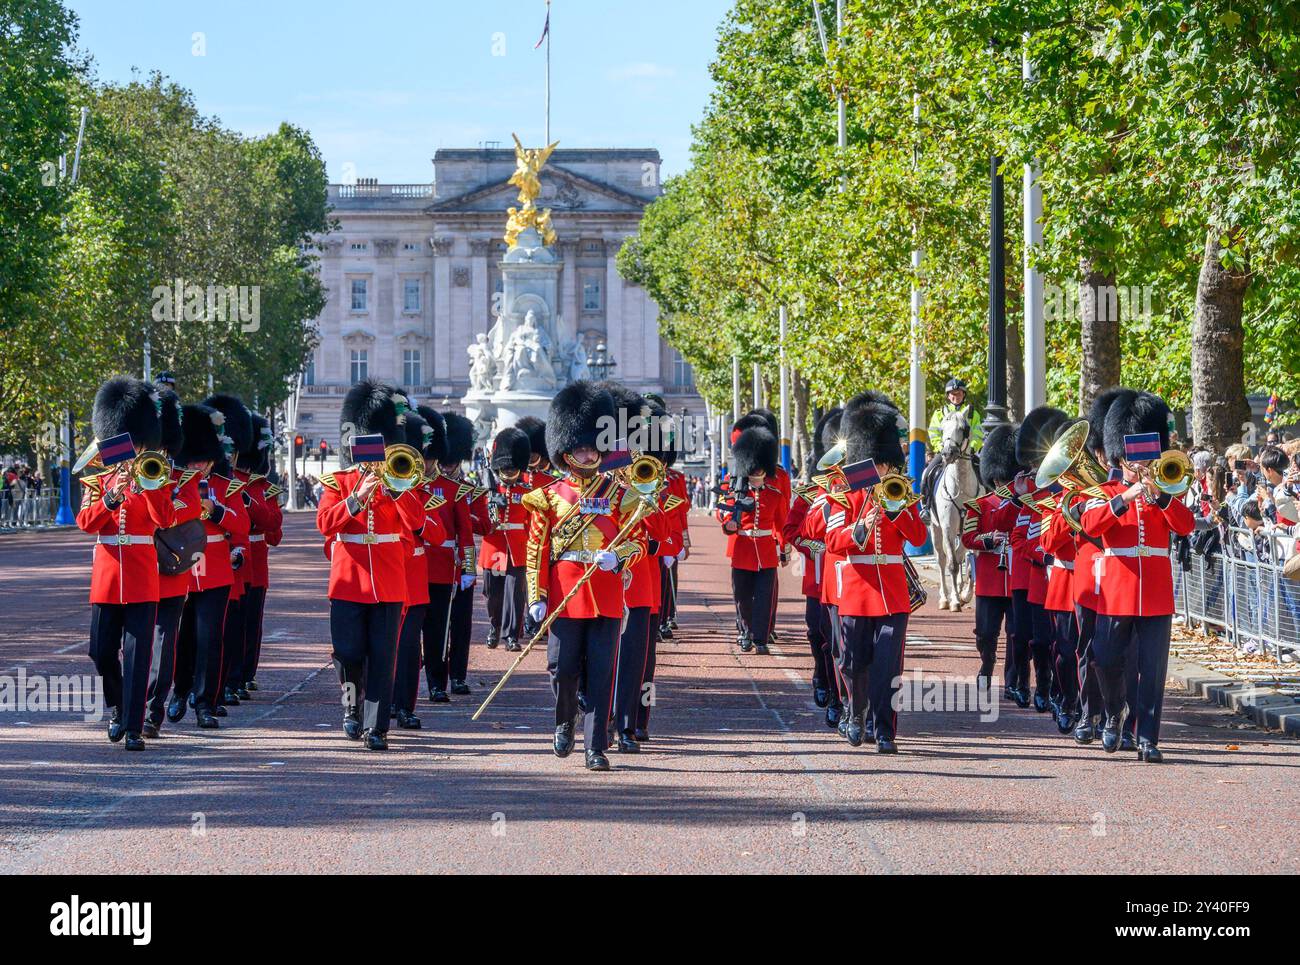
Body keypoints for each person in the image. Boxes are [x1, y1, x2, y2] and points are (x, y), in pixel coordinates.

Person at [521, 380, 646, 771]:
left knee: (601, 671)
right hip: (563, 594)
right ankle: (563, 720)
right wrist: (536, 595)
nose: (587, 453)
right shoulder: (550, 495)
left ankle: (596, 747)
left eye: (592, 446)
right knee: (561, 668)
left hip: (605, 591)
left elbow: (640, 541)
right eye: (579, 446)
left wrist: (619, 558)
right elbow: (536, 549)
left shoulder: (620, 494)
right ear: (566, 449)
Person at [1080, 390, 1195, 762]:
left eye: (1146, 456)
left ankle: (1148, 738)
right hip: (1117, 592)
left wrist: (1159, 496)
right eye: (1133, 458)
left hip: (1157, 593)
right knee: (1106, 659)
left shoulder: (1165, 491)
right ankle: (1114, 713)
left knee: (1152, 670)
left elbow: (1186, 525)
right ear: (1120, 456)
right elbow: (1090, 523)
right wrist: (1127, 496)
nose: (1141, 464)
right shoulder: (1106, 492)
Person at [316, 380, 427, 750]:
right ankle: (351, 708)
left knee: (383, 655)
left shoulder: (401, 480)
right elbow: (324, 523)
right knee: (347, 652)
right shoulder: (339, 481)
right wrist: (355, 500)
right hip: (348, 580)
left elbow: (415, 522)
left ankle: (376, 727)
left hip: (390, 580)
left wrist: (395, 490)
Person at [75, 376, 176, 751]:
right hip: (106, 577)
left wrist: (147, 488)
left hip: (141, 576)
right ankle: (118, 706)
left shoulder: (156, 476)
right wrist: (112, 497)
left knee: (137, 656)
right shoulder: (98, 482)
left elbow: (164, 519)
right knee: (100, 652)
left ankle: (134, 727)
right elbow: (87, 523)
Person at [822, 399, 927, 753]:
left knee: (888, 666)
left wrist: (898, 510)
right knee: (853, 663)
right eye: (876, 462)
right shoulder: (846, 495)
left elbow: (919, 538)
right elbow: (833, 540)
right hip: (856, 590)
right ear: (865, 458)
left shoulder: (902, 492)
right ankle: (855, 715)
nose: (882, 469)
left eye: (885, 463)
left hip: (893, 593)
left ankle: (885, 730)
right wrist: (860, 527)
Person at [143, 388, 203, 738]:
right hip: (131, 572)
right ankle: (126, 705)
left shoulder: (184, 481)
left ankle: (153, 710)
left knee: (165, 644)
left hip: (167, 572)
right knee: (127, 645)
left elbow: (180, 514)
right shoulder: (125, 477)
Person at [715, 426, 787, 655]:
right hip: (743, 548)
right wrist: (728, 523)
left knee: (764, 597)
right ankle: (745, 632)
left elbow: (782, 524)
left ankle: (761, 637)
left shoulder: (774, 494)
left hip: (765, 551)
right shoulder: (735, 488)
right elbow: (723, 511)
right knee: (743, 596)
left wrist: (783, 549)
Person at [481, 427, 533, 651]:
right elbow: (478, 520)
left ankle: (511, 635)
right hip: (493, 547)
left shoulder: (526, 490)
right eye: (505, 468)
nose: (508, 471)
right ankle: (494, 627)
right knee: (492, 593)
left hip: (518, 547)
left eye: (512, 468)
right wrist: (490, 503)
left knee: (515, 594)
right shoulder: (488, 489)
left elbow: (532, 521)